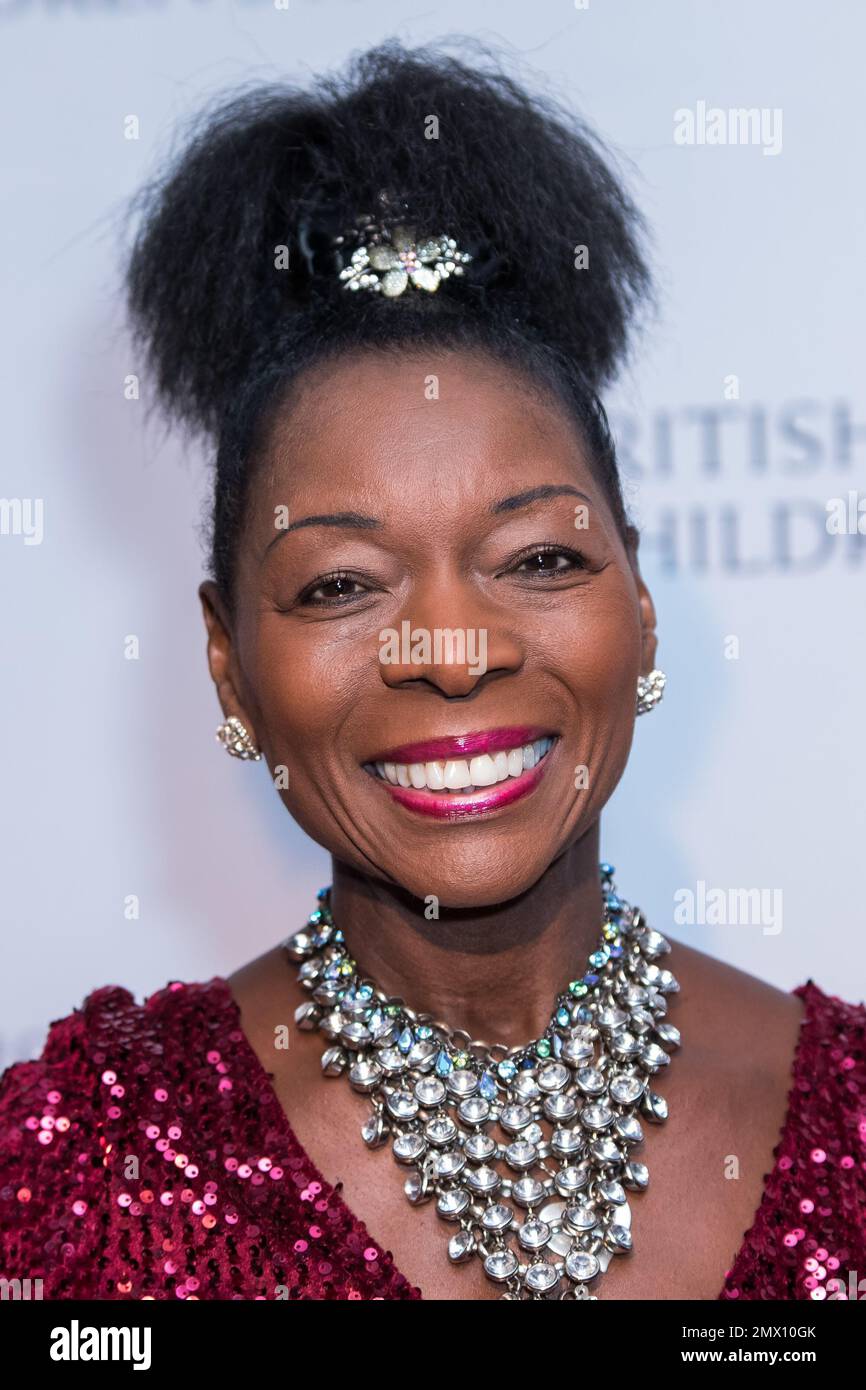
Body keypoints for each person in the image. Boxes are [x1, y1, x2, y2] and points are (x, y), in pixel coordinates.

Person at [1, 39, 864, 1303]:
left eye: (537, 559)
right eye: (342, 584)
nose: (451, 653)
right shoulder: (82, 1181)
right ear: (230, 668)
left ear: (641, 602)